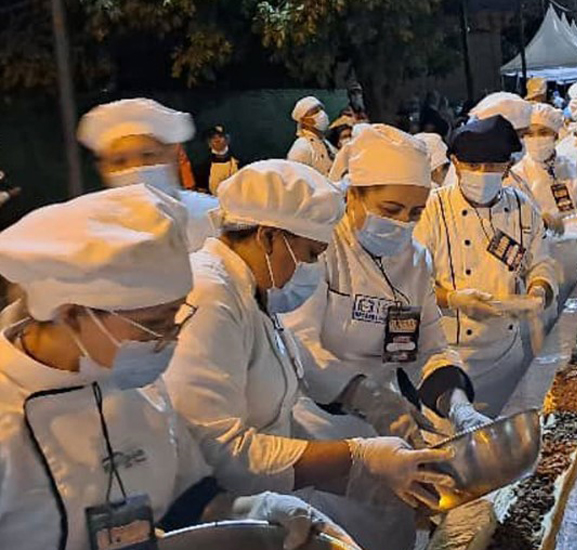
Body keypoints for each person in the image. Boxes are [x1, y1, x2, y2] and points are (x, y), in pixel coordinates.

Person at [0, 184, 356, 550]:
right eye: (155, 324)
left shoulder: (141, 388)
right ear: (72, 314)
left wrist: (260, 508)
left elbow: (189, 498)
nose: (171, 338)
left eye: (176, 318)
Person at [161, 160, 453, 550]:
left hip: (266, 497)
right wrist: (359, 457)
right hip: (227, 517)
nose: (312, 269)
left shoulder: (253, 293)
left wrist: (375, 461)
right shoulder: (211, 295)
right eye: (311, 254)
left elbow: (284, 398)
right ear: (268, 238)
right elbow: (220, 450)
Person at [284, 124, 490, 443]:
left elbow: (429, 347)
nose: (401, 223)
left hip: (391, 415)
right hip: (321, 425)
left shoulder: (415, 259)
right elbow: (299, 343)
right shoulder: (320, 249)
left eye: (415, 213)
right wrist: (363, 396)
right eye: (390, 210)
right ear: (353, 195)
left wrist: (458, 405)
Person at [413, 116, 558, 416]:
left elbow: (540, 262)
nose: (483, 174)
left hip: (507, 355)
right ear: (455, 162)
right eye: (473, 166)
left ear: (507, 167)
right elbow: (411, 284)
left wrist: (538, 292)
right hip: (450, 361)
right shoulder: (431, 209)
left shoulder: (522, 207)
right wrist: (452, 299)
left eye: (493, 166)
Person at [77, 98, 219, 252]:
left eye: (148, 155)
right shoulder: (88, 229)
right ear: (103, 168)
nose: (136, 168)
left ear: (173, 155)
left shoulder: (212, 215)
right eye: (119, 161)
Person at [511, 103, 577, 300]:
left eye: (543, 132)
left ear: (555, 134)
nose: (536, 139)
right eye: (529, 133)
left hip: (574, 257)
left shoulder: (572, 168)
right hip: (538, 268)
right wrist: (540, 222)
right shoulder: (516, 177)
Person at [287, 96, 337, 176]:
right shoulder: (301, 148)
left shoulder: (326, 143)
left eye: (321, 109)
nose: (322, 114)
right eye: (315, 112)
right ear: (304, 120)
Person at [195, 125, 240, 195]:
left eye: (220, 136)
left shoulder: (240, 161)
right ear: (209, 143)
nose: (217, 140)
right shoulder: (203, 166)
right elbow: (201, 192)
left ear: (227, 140)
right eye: (213, 138)